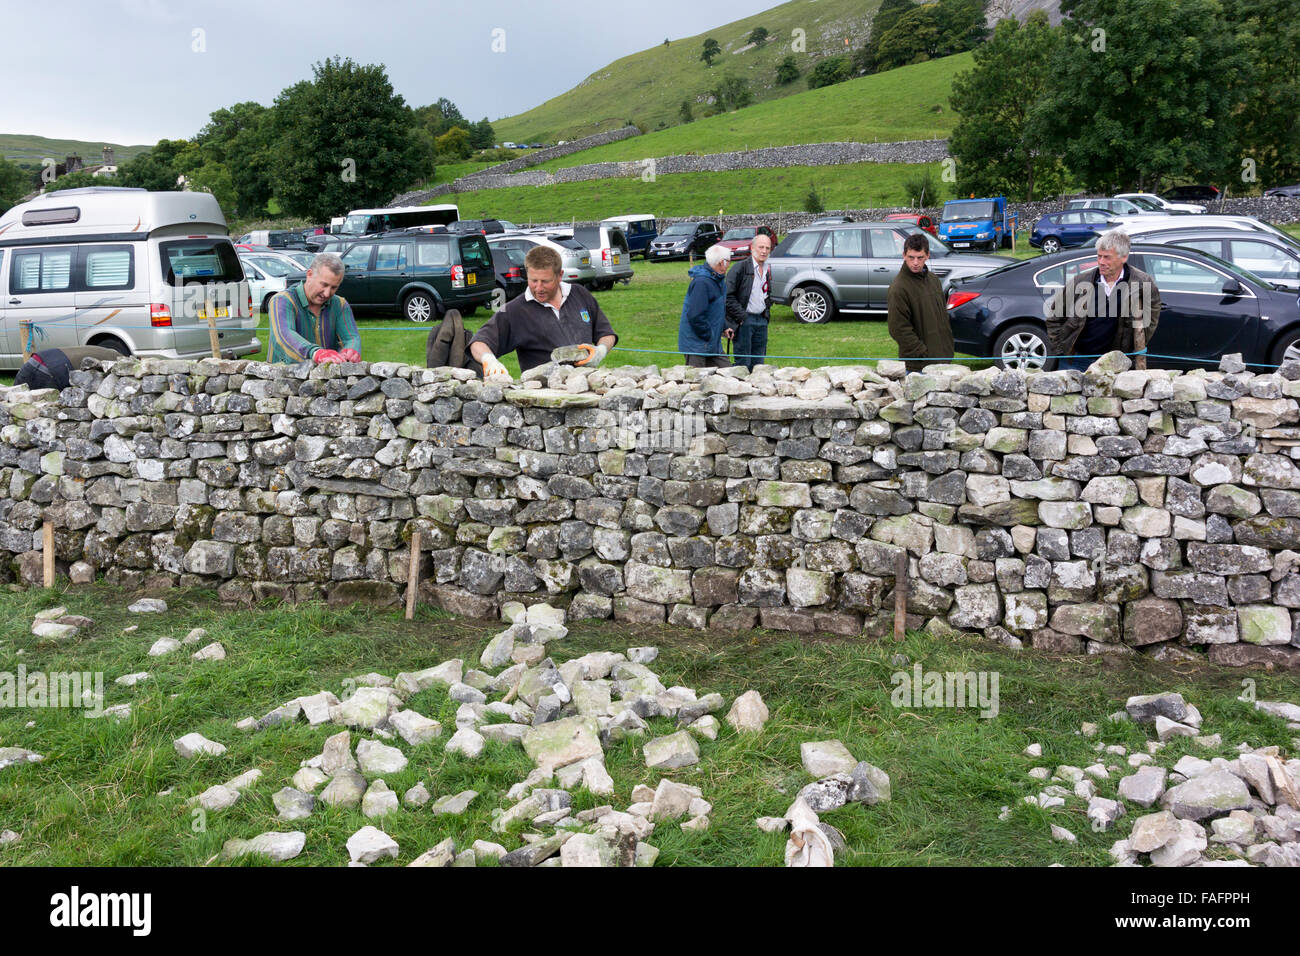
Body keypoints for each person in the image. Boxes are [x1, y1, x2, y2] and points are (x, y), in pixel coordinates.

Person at [467, 245, 617, 381]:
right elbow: (478, 343)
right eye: (533, 280)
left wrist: (600, 351)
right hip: (543, 397)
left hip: (585, 387)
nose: (538, 288)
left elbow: (606, 333)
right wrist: (489, 359)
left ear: (560, 275)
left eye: (545, 281)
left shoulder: (580, 294)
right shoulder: (515, 310)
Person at [1047, 229, 1161, 372]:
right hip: (1076, 360)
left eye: (1107, 257)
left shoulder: (1142, 282)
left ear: (1124, 257)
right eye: (1099, 256)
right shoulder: (1081, 281)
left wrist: (1131, 347)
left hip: (1115, 364)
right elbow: (1054, 317)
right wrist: (1060, 351)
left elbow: (1150, 322)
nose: (1101, 262)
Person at [268, 252, 362, 364]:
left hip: (326, 379)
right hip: (283, 377)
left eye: (333, 287)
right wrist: (316, 353)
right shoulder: (282, 300)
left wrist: (351, 350)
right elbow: (284, 335)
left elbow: (351, 338)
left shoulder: (340, 304)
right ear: (309, 274)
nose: (327, 293)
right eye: (324, 285)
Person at [887, 232, 951, 373]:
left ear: (927, 256)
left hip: (943, 360)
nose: (915, 262)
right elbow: (897, 329)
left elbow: (942, 317)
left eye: (920, 257)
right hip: (918, 367)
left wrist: (948, 346)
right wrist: (922, 353)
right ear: (904, 255)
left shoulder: (934, 280)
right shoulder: (899, 288)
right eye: (911, 257)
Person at [677, 244, 732, 368]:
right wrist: (709, 335)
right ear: (721, 263)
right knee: (696, 382)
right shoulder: (702, 283)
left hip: (712, 344)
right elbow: (695, 316)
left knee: (729, 374)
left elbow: (715, 309)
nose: (729, 264)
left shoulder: (717, 280)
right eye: (728, 261)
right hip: (697, 346)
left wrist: (724, 327)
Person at [724, 232, 773, 371]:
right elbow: (727, 296)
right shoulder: (739, 268)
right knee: (743, 364)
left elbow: (768, 293)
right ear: (752, 248)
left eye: (767, 248)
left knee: (759, 364)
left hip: (761, 320)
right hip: (745, 320)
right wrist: (742, 317)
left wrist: (766, 313)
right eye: (761, 247)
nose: (764, 251)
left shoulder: (768, 269)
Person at [14, 346, 123, 390]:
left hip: (34, 360)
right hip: (54, 370)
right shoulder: (118, 363)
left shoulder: (105, 352)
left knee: (14, 401)